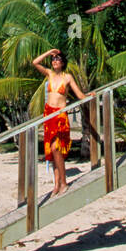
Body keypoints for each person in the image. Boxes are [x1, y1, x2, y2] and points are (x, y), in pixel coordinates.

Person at [32, 48, 85, 196]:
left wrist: (89, 95)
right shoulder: (49, 74)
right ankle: (56, 185)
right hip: (48, 115)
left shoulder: (67, 77)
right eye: (53, 59)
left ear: (63, 63)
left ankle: (64, 182)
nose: (55, 61)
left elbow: (79, 94)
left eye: (58, 59)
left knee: (57, 149)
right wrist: (49, 52)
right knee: (51, 151)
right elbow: (35, 62)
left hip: (60, 116)